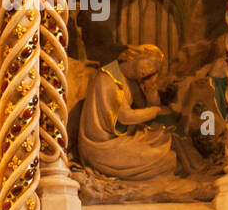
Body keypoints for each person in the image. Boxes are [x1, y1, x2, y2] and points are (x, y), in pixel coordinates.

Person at [78, 44, 191, 179]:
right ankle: (191, 168)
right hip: (102, 147)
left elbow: (144, 113)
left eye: (155, 69)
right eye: (149, 63)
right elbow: (126, 117)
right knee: (169, 159)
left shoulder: (129, 80)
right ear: (134, 56)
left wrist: (151, 93)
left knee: (167, 135)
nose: (149, 70)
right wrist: (155, 110)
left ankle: (196, 165)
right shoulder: (108, 77)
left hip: (124, 137)